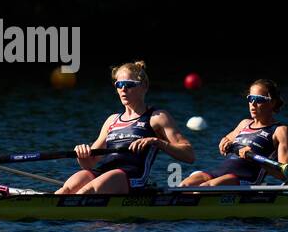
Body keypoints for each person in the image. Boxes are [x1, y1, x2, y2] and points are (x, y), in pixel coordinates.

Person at [55, 61, 195, 195]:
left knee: (86, 191)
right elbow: (90, 164)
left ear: (144, 86)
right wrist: (82, 154)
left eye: (129, 84)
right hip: (104, 173)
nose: (123, 89)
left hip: (131, 178)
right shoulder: (112, 120)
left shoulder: (157, 117)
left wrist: (157, 142)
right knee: (67, 188)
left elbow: (189, 155)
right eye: (119, 84)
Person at [178, 79, 288, 188]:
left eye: (259, 99)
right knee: (183, 186)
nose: (253, 103)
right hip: (219, 173)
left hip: (244, 180)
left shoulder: (280, 131)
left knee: (204, 188)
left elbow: (284, 174)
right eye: (250, 98)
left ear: (272, 102)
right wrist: (224, 142)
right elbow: (226, 140)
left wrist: (256, 158)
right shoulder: (244, 124)